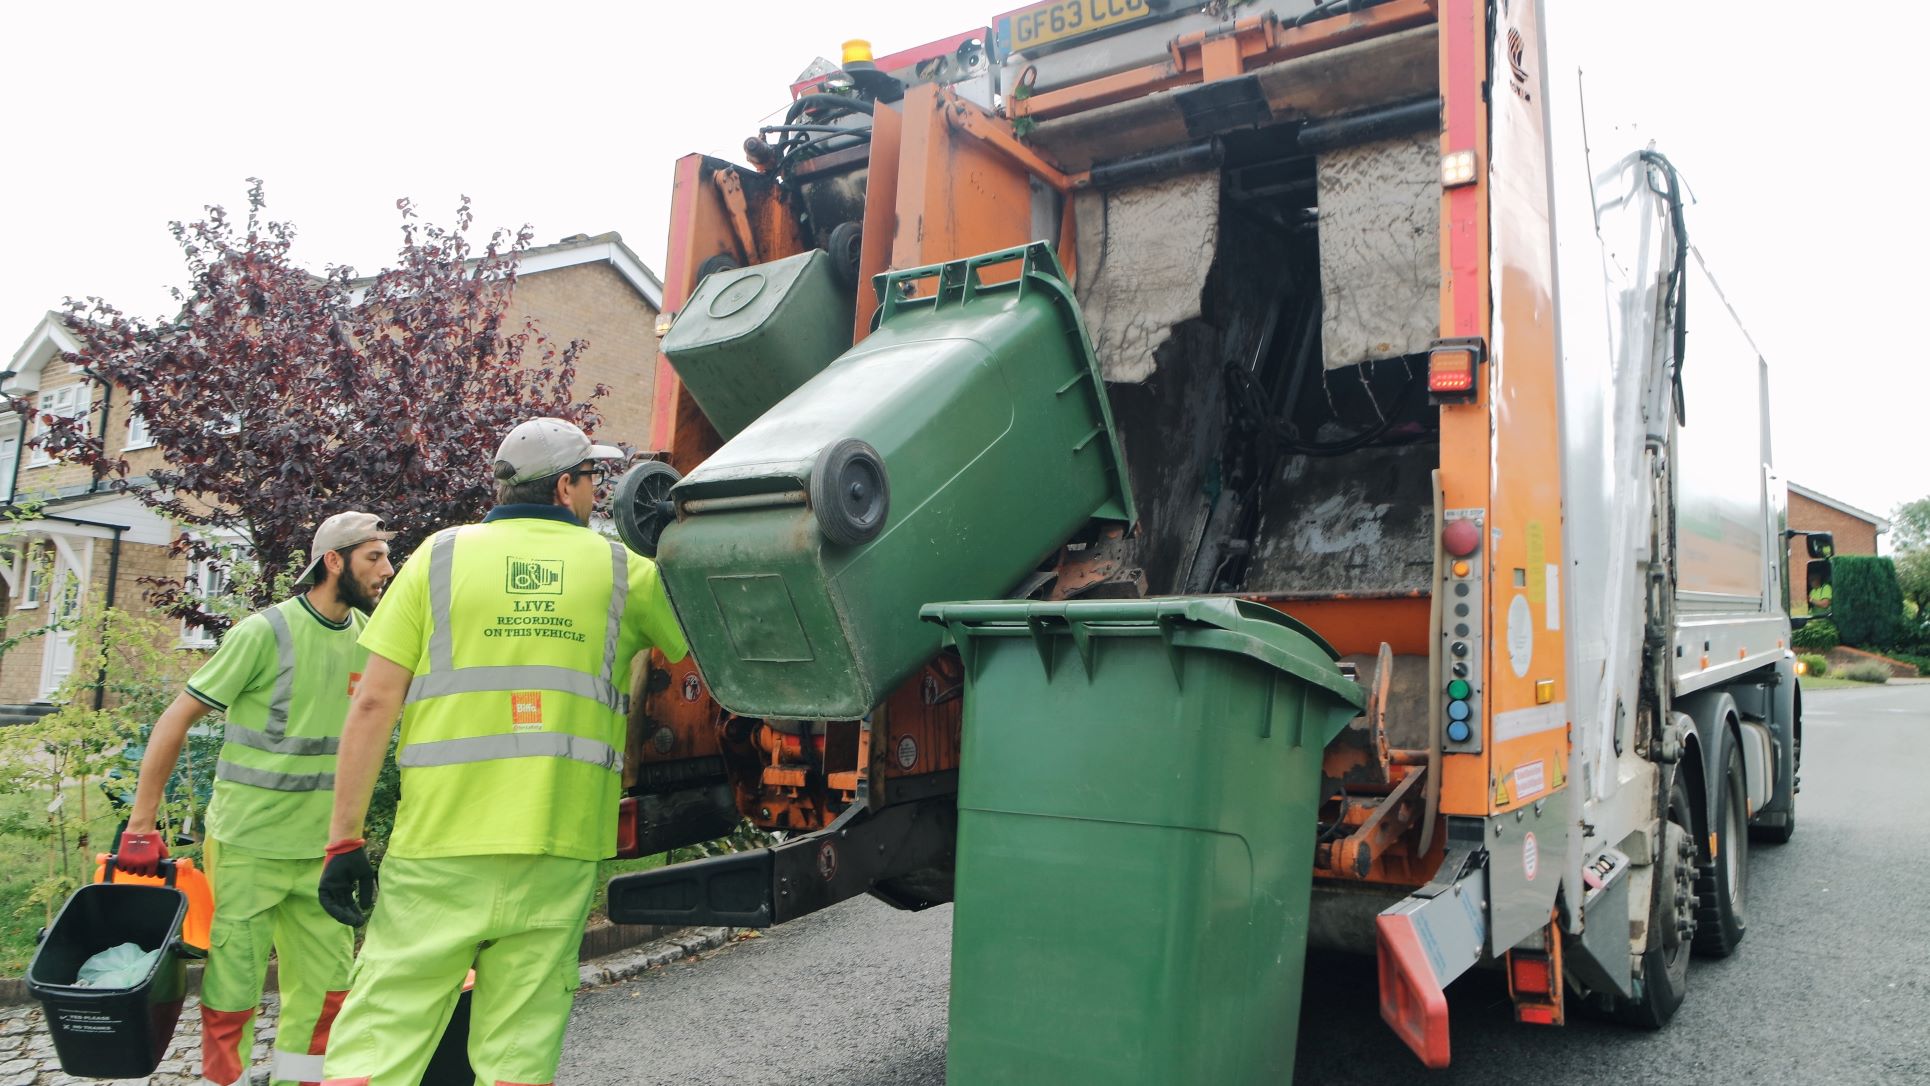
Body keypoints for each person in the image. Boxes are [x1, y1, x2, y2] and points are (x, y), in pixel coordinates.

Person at [318, 418, 689, 1086]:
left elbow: (372, 704)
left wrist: (344, 840)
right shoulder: (623, 573)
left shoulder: (437, 559)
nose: (597, 494)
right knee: (518, 1049)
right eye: (593, 480)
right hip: (558, 846)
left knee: (381, 1037)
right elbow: (705, 642)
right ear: (566, 487)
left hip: (439, 846)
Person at [116, 512, 396, 1086]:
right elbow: (175, 719)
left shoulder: (371, 641)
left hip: (324, 854)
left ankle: (300, 1080)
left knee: (327, 993)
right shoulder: (264, 633)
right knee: (233, 991)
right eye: (375, 557)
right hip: (248, 845)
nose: (387, 570)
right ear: (334, 561)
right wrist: (141, 825)